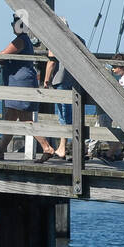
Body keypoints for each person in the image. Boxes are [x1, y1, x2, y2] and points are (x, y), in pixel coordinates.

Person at [0, 14, 55, 161]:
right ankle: (0, 151)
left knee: (25, 119)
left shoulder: (20, 40)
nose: (12, 25)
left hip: (20, 84)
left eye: (14, 23)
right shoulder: (25, 40)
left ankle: (47, 147)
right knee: (10, 118)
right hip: (19, 82)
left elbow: (3, 55)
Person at [41, 19, 90, 161]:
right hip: (76, 80)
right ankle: (75, 148)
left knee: (63, 115)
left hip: (61, 79)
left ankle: (64, 149)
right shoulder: (80, 39)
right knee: (75, 114)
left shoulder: (56, 39)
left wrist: (46, 79)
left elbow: (52, 61)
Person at [97, 58, 124, 161]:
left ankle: (109, 155)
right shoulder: (123, 78)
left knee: (121, 134)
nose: (113, 69)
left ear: (121, 67)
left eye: (114, 67)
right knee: (121, 133)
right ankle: (113, 154)